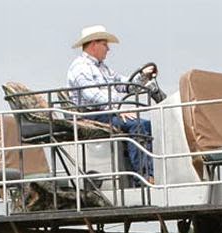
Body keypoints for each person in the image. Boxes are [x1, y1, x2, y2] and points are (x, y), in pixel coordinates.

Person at [67, 25, 156, 183]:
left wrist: (143, 76)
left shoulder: (102, 68)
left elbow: (124, 84)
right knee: (139, 126)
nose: (108, 48)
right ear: (94, 44)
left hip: (102, 113)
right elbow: (92, 94)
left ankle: (143, 175)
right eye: (105, 44)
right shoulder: (80, 67)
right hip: (89, 115)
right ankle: (144, 178)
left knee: (142, 124)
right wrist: (116, 109)